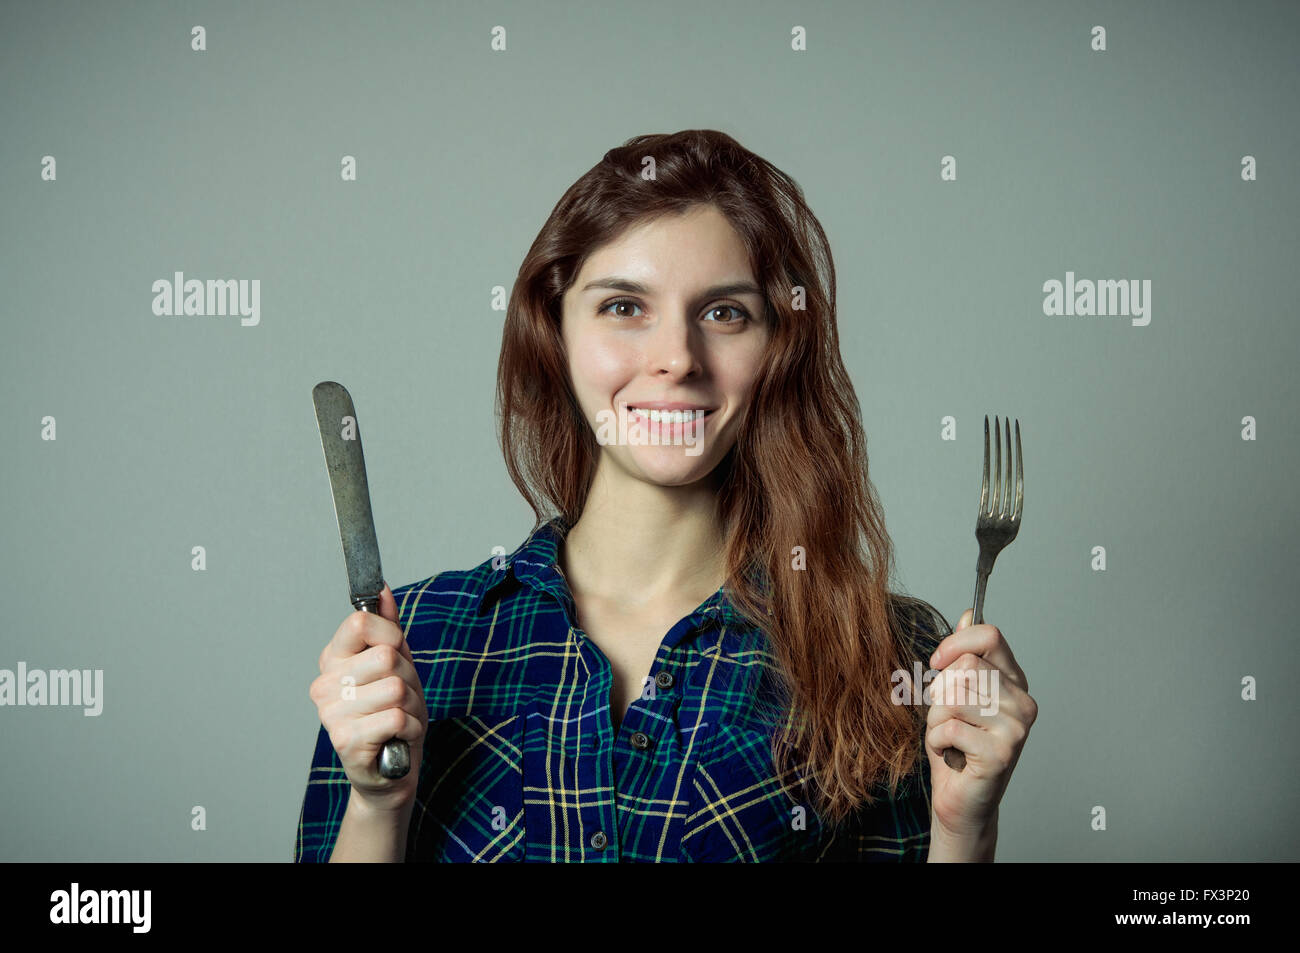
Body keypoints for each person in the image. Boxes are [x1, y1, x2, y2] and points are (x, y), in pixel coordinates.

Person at [294, 129, 1037, 863]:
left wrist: (962, 827)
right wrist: (377, 803)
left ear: (776, 351)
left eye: (724, 313)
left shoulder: (882, 655)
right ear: (556, 331)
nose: (678, 357)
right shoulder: (410, 641)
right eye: (624, 306)